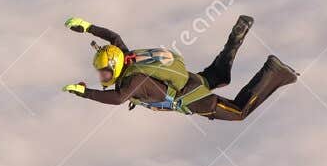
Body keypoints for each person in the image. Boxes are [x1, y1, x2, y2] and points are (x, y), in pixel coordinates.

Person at [60, 15, 297, 121]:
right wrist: (88, 27)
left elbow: (117, 99)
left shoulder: (130, 83)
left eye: (104, 71)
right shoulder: (126, 56)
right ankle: (238, 33)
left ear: (115, 65)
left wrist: (85, 93)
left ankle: (275, 72)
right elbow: (113, 36)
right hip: (186, 81)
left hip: (192, 99)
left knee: (239, 113)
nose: (102, 76)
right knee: (219, 74)